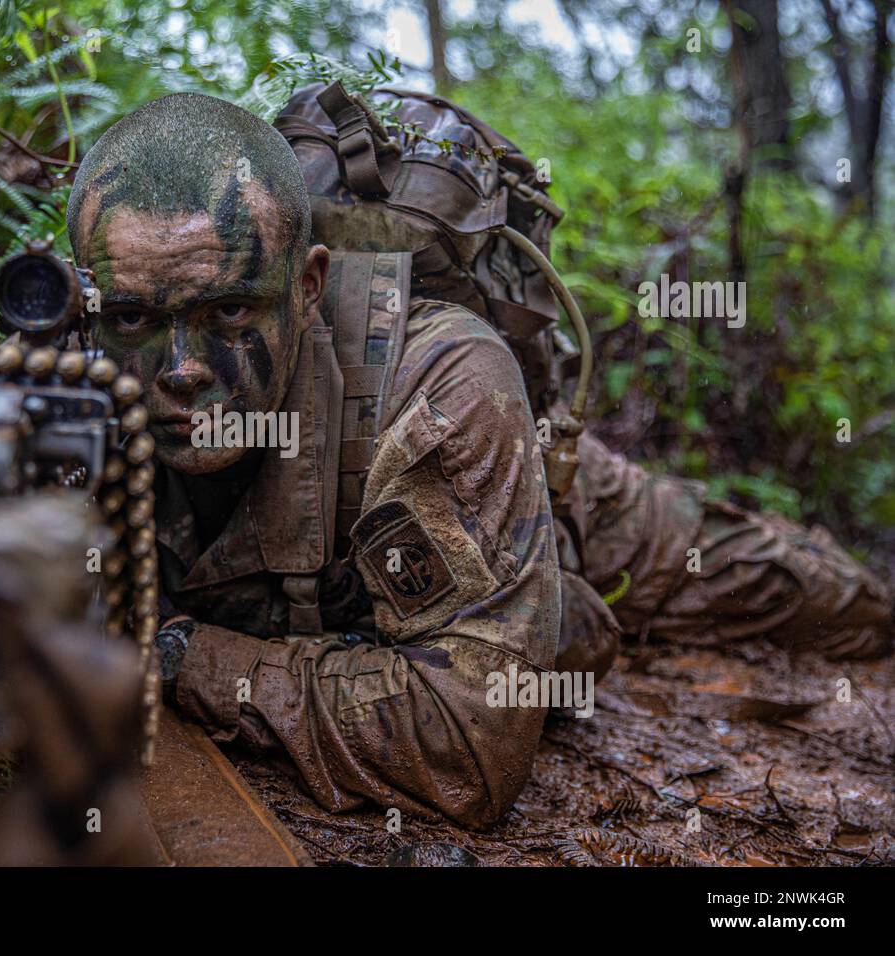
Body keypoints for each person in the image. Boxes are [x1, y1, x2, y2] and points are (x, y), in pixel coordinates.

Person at [63, 92, 892, 827]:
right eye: (133, 318)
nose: (180, 370)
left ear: (309, 286)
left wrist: (176, 653)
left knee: (826, 598)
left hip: (564, 506)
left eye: (231, 309)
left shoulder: (445, 382)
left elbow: (468, 745)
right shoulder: (56, 396)